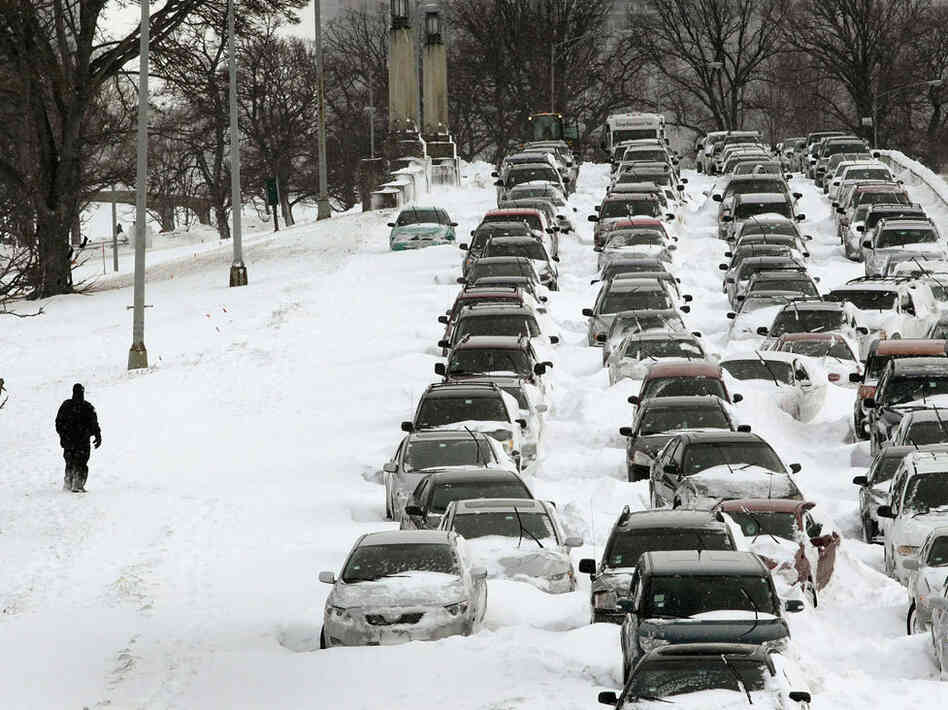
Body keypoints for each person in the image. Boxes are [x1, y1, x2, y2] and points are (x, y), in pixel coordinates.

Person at [55, 384, 101, 492]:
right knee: (78, 462)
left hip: (73, 441)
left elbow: (58, 423)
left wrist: (63, 436)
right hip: (78, 442)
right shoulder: (86, 407)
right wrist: (97, 435)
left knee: (73, 462)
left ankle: (71, 482)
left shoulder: (68, 406)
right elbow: (59, 423)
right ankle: (75, 483)